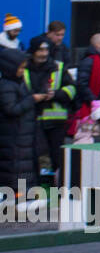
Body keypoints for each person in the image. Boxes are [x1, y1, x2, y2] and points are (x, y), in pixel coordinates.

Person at [23, 40, 75, 178]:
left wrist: (56, 94)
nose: (44, 54)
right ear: (33, 51)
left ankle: (57, 188)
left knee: (57, 156)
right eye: (40, 50)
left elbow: (72, 89)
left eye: (46, 50)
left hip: (55, 120)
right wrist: (32, 97)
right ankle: (37, 188)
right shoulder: (23, 67)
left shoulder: (59, 67)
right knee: (35, 156)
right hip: (31, 118)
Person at [0, 47, 40, 192]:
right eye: (21, 67)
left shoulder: (17, 83)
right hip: (14, 138)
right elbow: (11, 109)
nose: (23, 70)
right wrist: (32, 99)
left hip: (22, 138)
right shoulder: (6, 86)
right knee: (14, 173)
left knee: (23, 172)